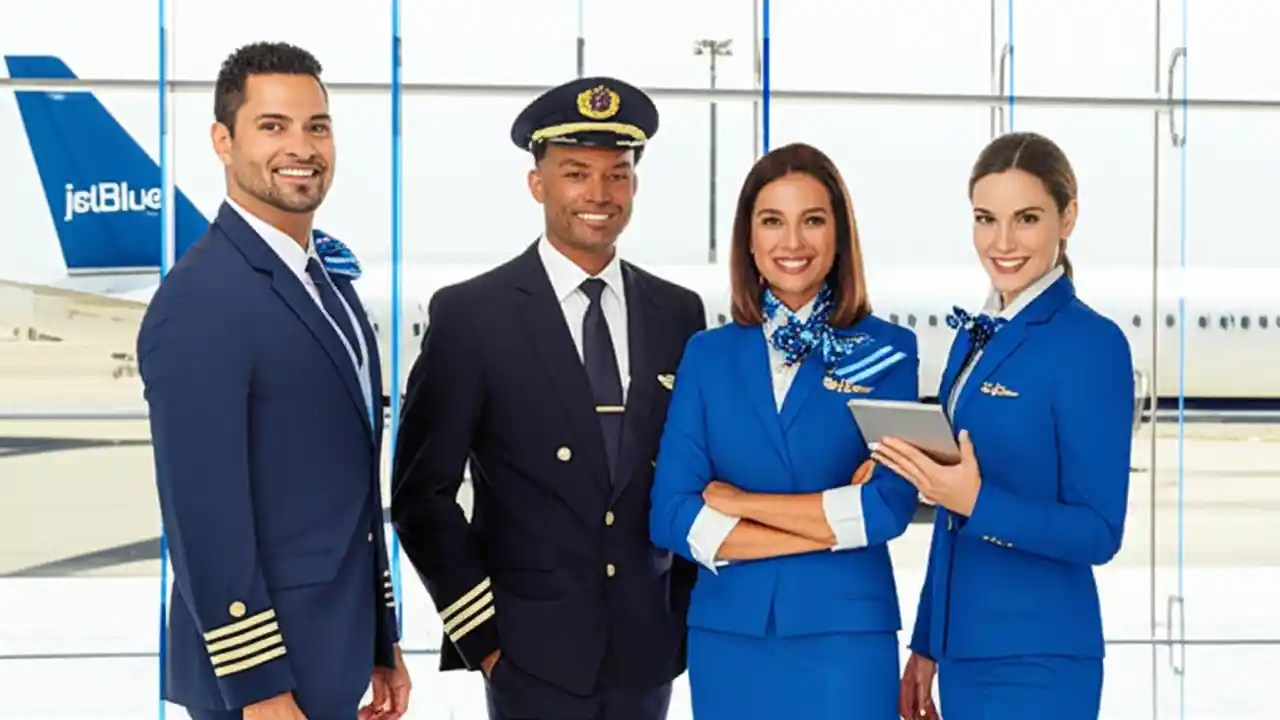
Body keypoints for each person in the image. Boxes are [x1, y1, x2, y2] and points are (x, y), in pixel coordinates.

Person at [390, 76, 706, 720]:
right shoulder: (472, 317)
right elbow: (421, 497)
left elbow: (691, 472)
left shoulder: (677, 313)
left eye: (617, 174)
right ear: (538, 184)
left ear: (634, 186)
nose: (598, 194)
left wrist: (680, 614)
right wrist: (482, 639)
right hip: (528, 656)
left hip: (646, 653)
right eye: (575, 173)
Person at [137, 42, 409, 720]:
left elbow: (347, 488)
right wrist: (258, 688)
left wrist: (382, 638)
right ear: (222, 141)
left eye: (317, 125)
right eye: (273, 126)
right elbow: (204, 518)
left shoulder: (329, 286)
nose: (303, 146)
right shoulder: (202, 299)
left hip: (332, 657)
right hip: (261, 685)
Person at [648, 142, 922, 718]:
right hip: (729, 640)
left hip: (845, 639)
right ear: (749, 238)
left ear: (840, 234)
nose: (792, 243)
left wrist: (739, 502)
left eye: (812, 221)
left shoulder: (888, 353)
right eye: (772, 221)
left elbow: (885, 511)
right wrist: (828, 525)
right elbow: (673, 515)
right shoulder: (707, 355)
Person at [883, 131, 1134, 720]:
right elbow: (949, 518)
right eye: (985, 219)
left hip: (1038, 660)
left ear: (1067, 218)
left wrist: (978, 500)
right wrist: (927, 644)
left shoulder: (1090, 344)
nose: (1002, 242)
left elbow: (1099, 532)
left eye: (1026, 218)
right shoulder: (975, 340)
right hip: (964, 652)